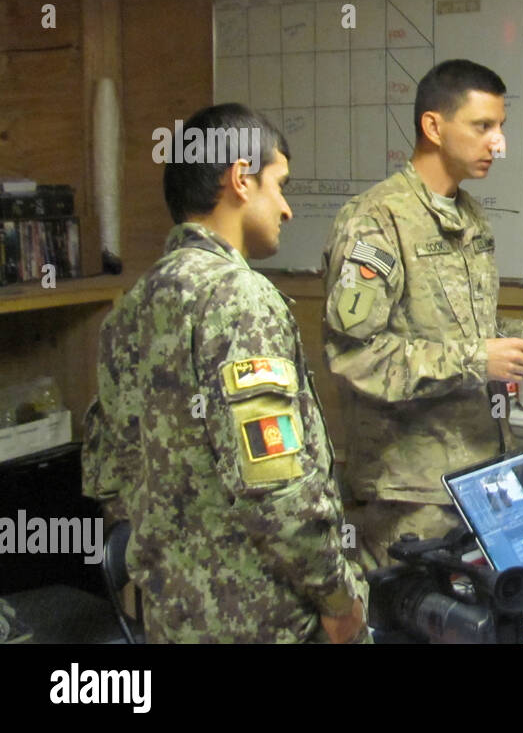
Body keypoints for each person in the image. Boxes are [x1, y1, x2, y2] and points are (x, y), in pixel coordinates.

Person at [81, 104, 368, 644]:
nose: (285, 209)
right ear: (240, 179)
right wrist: (337, 597)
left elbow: (108, 475)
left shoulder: (130, 309)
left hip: (173, 621)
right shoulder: (238, 298)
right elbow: (277, 485)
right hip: (266, 620)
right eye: (278, 185)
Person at [323, 60, 523, 571]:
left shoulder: (468, 214)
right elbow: (355, 359)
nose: (498, 142)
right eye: (482, 126)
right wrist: (475, 360)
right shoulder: (376, 221)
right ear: (434, 126)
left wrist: (522, 340)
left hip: (479, 474)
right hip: (411, 494)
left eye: (500, 127)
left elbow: (466, 330)